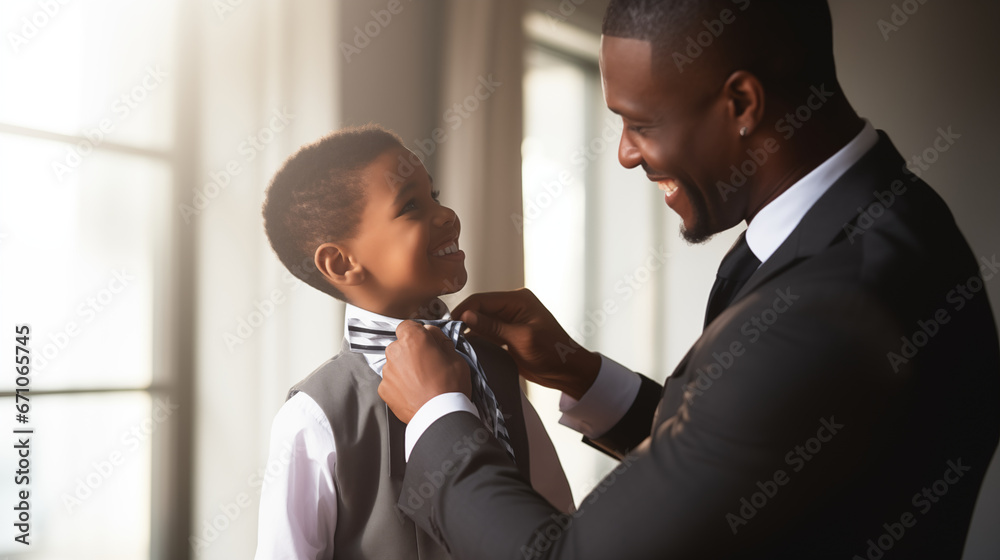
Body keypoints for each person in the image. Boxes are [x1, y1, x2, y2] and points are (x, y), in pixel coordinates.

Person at [377, 1, 1000, 558]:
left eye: (641, 123)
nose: (624, 153)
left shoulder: (829, 306)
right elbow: (750, 457)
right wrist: (581, 373)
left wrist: (439, 415)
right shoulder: (879, 212)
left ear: (742, 105)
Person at [253, 125, 573, 559]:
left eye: (435, 195)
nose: (446, 215)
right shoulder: (315, 415)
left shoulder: (493, 368)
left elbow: (559, 522)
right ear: (340, 263)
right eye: (410, 206)